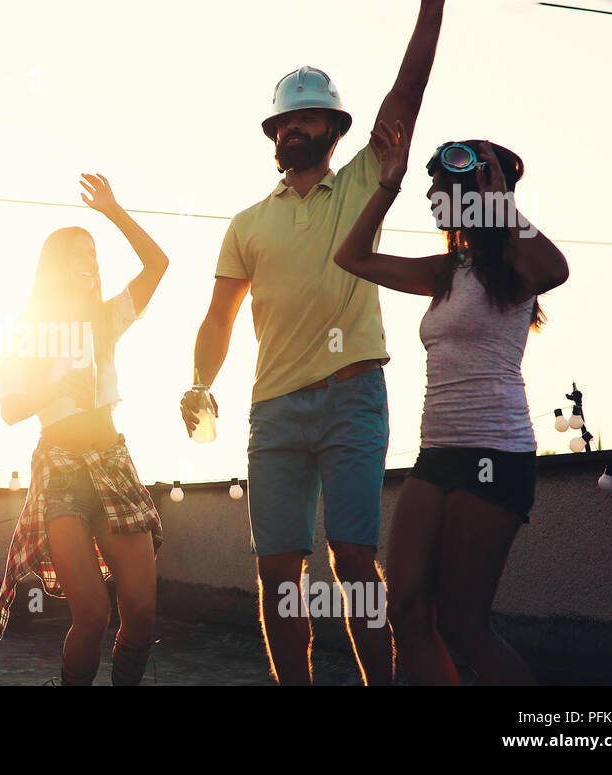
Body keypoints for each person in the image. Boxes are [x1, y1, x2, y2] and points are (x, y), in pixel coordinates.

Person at [180, 0, 447, 685]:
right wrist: (201, 381)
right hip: (273, 411)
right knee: (277, 571)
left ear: (332, 128)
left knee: (353, 556)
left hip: (351, 396)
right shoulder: (245, 224)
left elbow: (407, 91)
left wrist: (432, 7)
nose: (292, 126)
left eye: (306, 117)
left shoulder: (361, 180)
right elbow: (217, 320)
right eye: (283, 119)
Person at [333, 124, 567, 684]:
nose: (434, 197)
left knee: (464, 622)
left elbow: (556, 271)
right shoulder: (445, 272)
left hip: (496, 453)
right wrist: (386, 186)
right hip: (437, 453)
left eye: (442, 187)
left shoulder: (517, 267)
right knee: (407, 611)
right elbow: (352, 256)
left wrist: (500, 201)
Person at [0, 173, 168, 686]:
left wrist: (112, 211)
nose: (88, 264)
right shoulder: (26, 329)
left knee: (141, 614)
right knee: (91, 615)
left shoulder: (105, 319)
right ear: (53, 268)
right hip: (61, 470)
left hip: (112, 462)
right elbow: (9, 409)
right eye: (76, 256)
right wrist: (57, 390)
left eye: (92, 255)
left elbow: (158, 264)